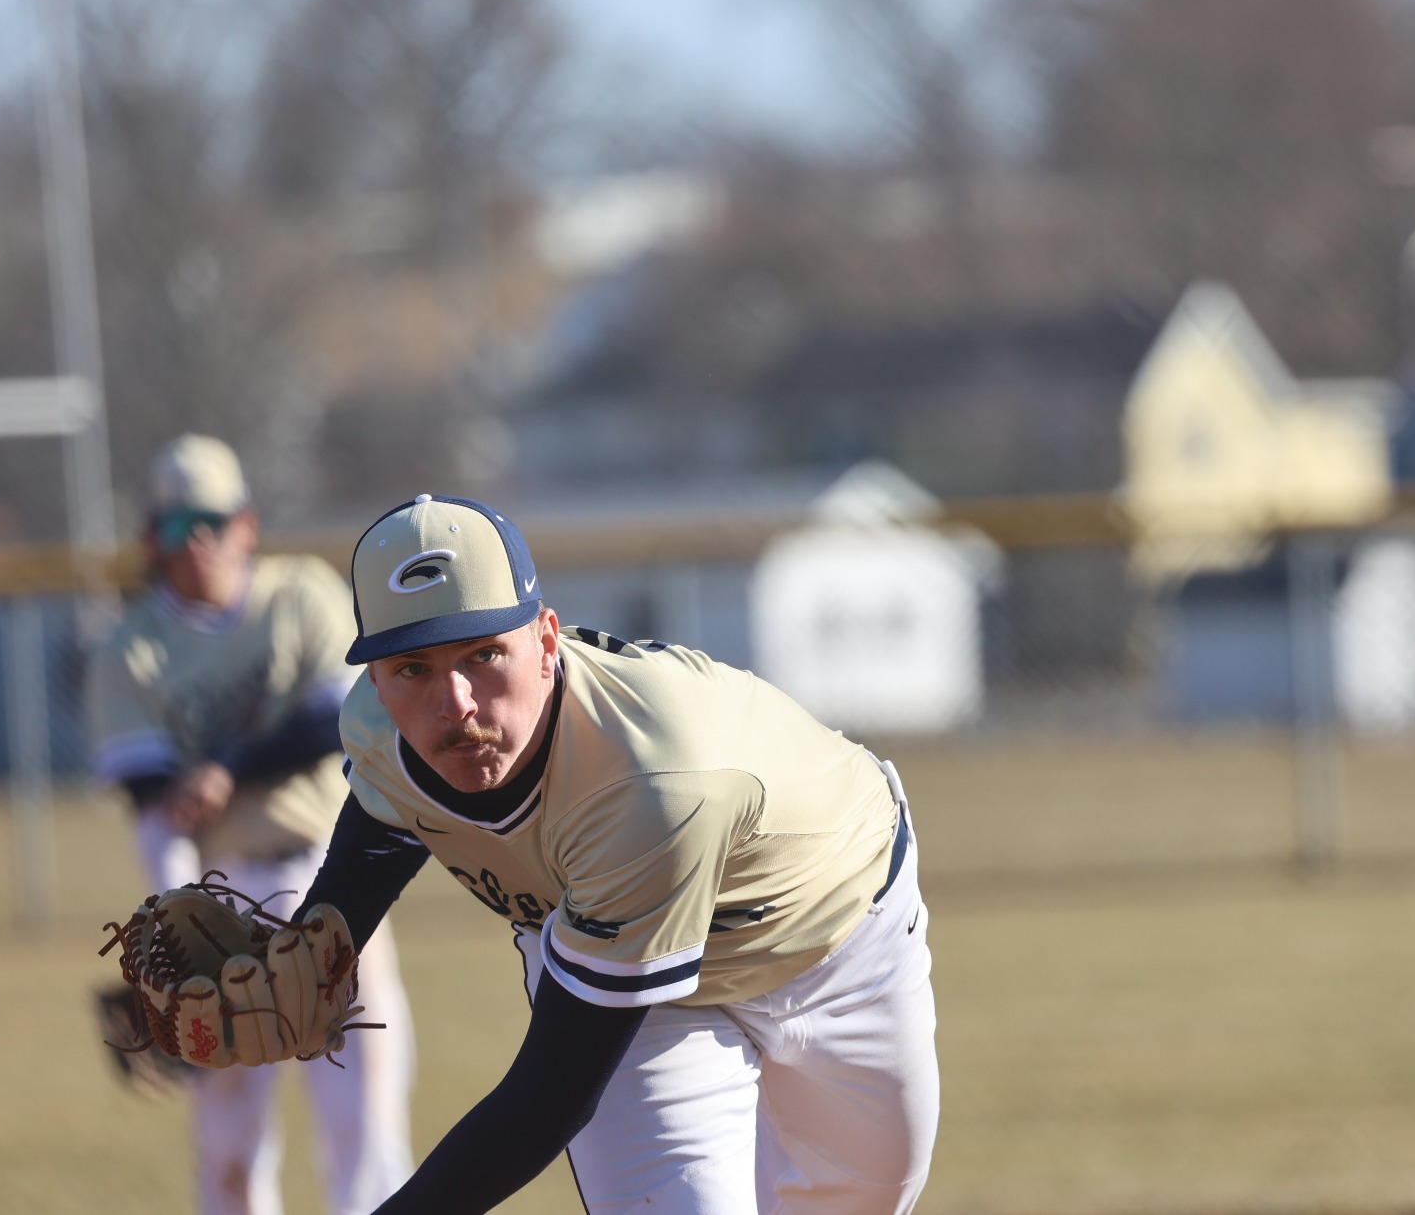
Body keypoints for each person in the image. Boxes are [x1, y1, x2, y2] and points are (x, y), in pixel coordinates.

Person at [293, 492, 938, 1214]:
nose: (457, 701)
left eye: (484, 652)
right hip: (637, 977)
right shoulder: (379, 725)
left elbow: (547, 1099)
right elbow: (384, 822)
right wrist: (311, 940)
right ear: (375, 678)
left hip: (839, 937)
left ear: (545, 640)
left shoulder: (652, 780)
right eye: (412, 666)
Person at [87, 434, 416, 1215]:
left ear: (246, 523)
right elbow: (151, 795)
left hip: (337, 882)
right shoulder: (130, 650)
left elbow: (338, 716)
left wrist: (229, 765)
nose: (195, 540)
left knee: (367, 1126)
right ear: (151, 539)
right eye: (174, 525)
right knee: (231, 1145)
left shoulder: (301, 594)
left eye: (210, 519)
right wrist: (171, 942)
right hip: (220, 904)